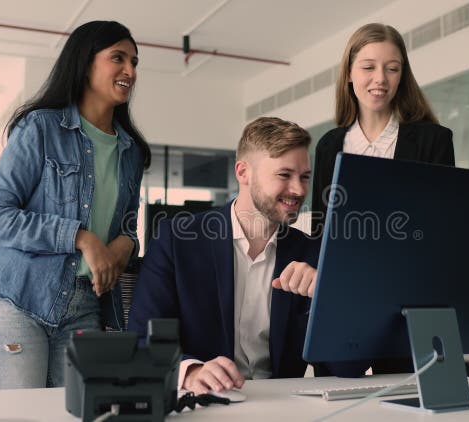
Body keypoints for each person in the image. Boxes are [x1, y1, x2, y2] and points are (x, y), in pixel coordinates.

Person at [0, 20, 150, 390]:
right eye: (118, 58)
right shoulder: (41, 128)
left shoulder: (131, 152)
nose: (130, 71)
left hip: (83, 308)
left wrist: (127, 242)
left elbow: (127, 225)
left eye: (134, 61)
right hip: (16, 301)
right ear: (85, 63)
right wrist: (80, 237)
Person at [129, 117, 367, 395]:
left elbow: (351, 368)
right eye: (284, 175)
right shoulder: (177, 241)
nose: (300, 190)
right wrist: (191, 371)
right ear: (243, 172)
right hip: (207, 402)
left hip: (283, 407)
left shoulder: (312, 253)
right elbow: (141, 341)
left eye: (304, 177)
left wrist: (328, 299)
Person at [310, 23, 455, 375]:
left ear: (402, 75)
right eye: (369, 67)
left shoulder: (432, 140)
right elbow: (320, 230)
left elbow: (443, 227)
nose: (381, 78)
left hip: (411, 301)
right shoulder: (330, 145)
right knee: (339, 399)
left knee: (410, 399)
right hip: (344, 299)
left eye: (392, 68)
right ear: (348, 73)